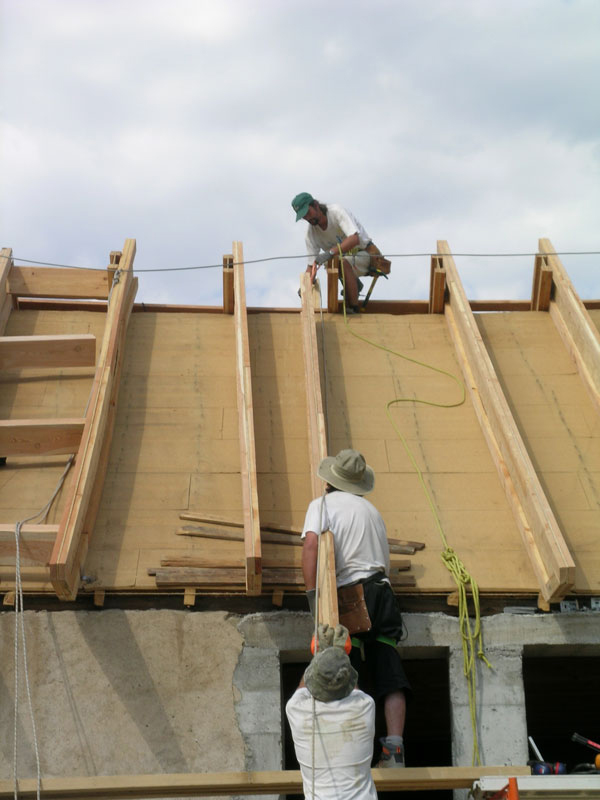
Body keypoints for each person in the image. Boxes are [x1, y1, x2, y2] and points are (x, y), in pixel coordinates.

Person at [301, 449, 410, 767]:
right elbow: (384, 564)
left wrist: (313, 595)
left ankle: (353, 750)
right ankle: (394, 749)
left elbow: (311, 546)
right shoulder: (372, 511)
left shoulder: (321, 505)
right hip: (383, 594)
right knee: (389, 666)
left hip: (350, 597)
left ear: (330, 481)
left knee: (344, 665)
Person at [286, 624, 378, 800]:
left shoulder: (298, 711)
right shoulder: (365, 707)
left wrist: (321, 655)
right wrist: (338, 655)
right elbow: (350, 684)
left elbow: (305, 685)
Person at [291, 192, 373, 312]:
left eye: (308, 213)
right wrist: (305, 285)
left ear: (315, 205)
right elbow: (311, 265)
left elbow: (354, 239)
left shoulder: (336, 212)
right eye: (304, 216)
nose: (308, 218)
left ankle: (354, 307)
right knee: (331, 263)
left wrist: (330, 252)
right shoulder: (311, 234)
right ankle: (354, 284)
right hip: (343, 261)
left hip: (364, 253)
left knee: (341, 261)